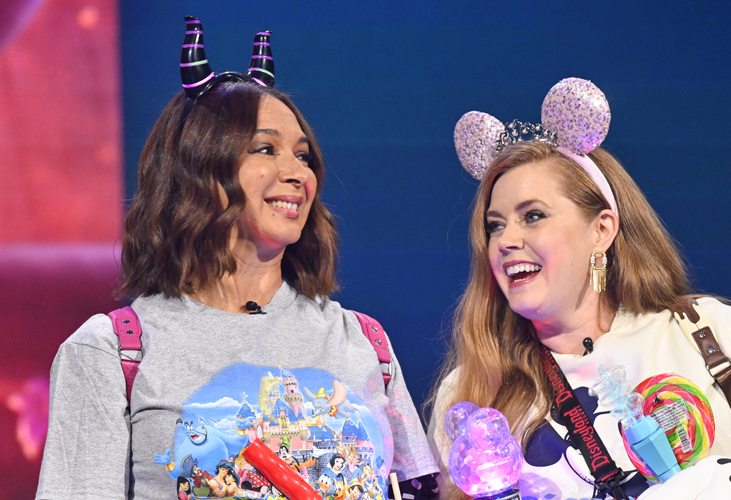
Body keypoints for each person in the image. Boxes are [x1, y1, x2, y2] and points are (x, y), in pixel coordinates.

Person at [35, 17, 437, 500]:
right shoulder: (111, 353)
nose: (298, 174)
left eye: (304, 156)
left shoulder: (365, 343)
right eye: (266, 149)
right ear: (200, 170)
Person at [427, 78, 731, 500]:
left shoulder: (713, 334)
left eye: (533, 215)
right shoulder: (470, 393)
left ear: (601, 230)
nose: (505, 241)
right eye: (494, 225)